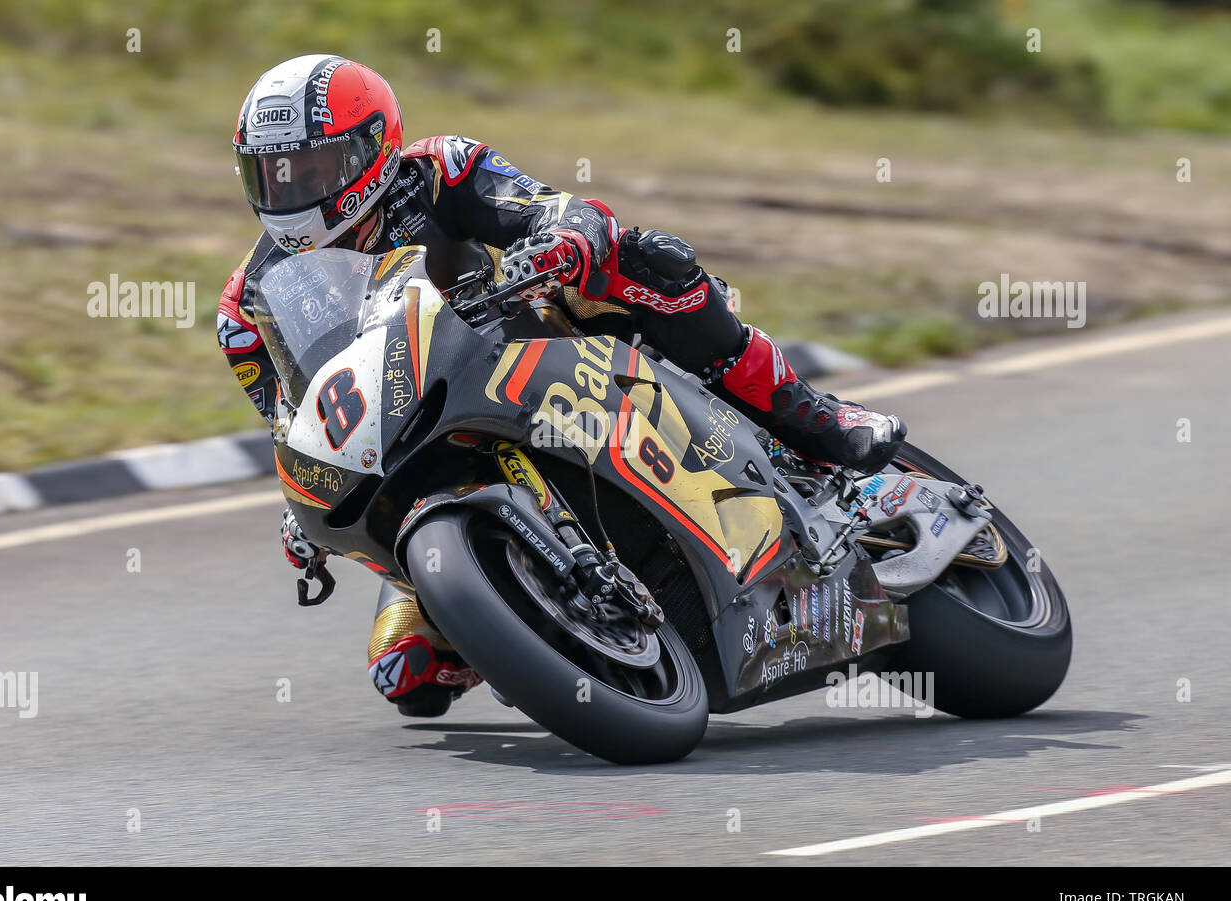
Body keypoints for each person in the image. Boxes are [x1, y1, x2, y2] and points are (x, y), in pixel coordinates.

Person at [220, 55, 906, 717]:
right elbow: (294, 415)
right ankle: (525, 611)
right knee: (407, 678)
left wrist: (563, 237)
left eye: (311, 166)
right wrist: (301, 500)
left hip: (522, 349)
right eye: (274, 173)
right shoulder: (246, 310)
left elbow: (551, 208)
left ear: (372, 149)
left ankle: (814, 421)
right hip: (414, 443)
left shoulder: (439, 172)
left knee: (644, 261)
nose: (294, 190)